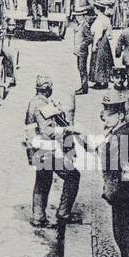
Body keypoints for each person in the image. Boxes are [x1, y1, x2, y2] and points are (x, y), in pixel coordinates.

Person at [93, 90, 129, 257]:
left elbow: (116, 163)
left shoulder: (123, 134)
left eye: (109, 113)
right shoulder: (119, 130)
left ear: (120, 115)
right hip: (121, 189)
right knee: (122, 230)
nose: (104, 116)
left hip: (123, 191)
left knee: (124, 232)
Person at [25, 76, 81, 227]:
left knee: (42, 180)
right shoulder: (42, 105)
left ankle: (38, 216)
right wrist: (66, 129)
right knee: (73, 175)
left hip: (35, 148)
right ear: (48, 90)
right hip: (47, 150)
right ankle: (63, 213)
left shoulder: (34, 102)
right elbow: (47, 130)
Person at [89, 1, 115, 90]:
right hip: (105, 41)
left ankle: (99, 81)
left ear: (98, 9)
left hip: (99, 41)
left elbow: (98, 33)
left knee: (98, 61)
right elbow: (109, 33)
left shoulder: (99, 19)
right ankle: (105, 81)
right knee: (105, 61)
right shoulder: (106, 18)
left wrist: (94, 44)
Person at [73, 8, 94, 95]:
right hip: (79, 51)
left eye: (78, 15)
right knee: (80, 69)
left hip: (82, 51)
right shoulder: (80, 25)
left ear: (82, 16)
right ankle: (83, 86)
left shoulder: (84, 25)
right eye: (76, 16)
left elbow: (89, 38)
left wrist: (83, 45)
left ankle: (84, 88)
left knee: (82, 70)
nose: (77, 17)